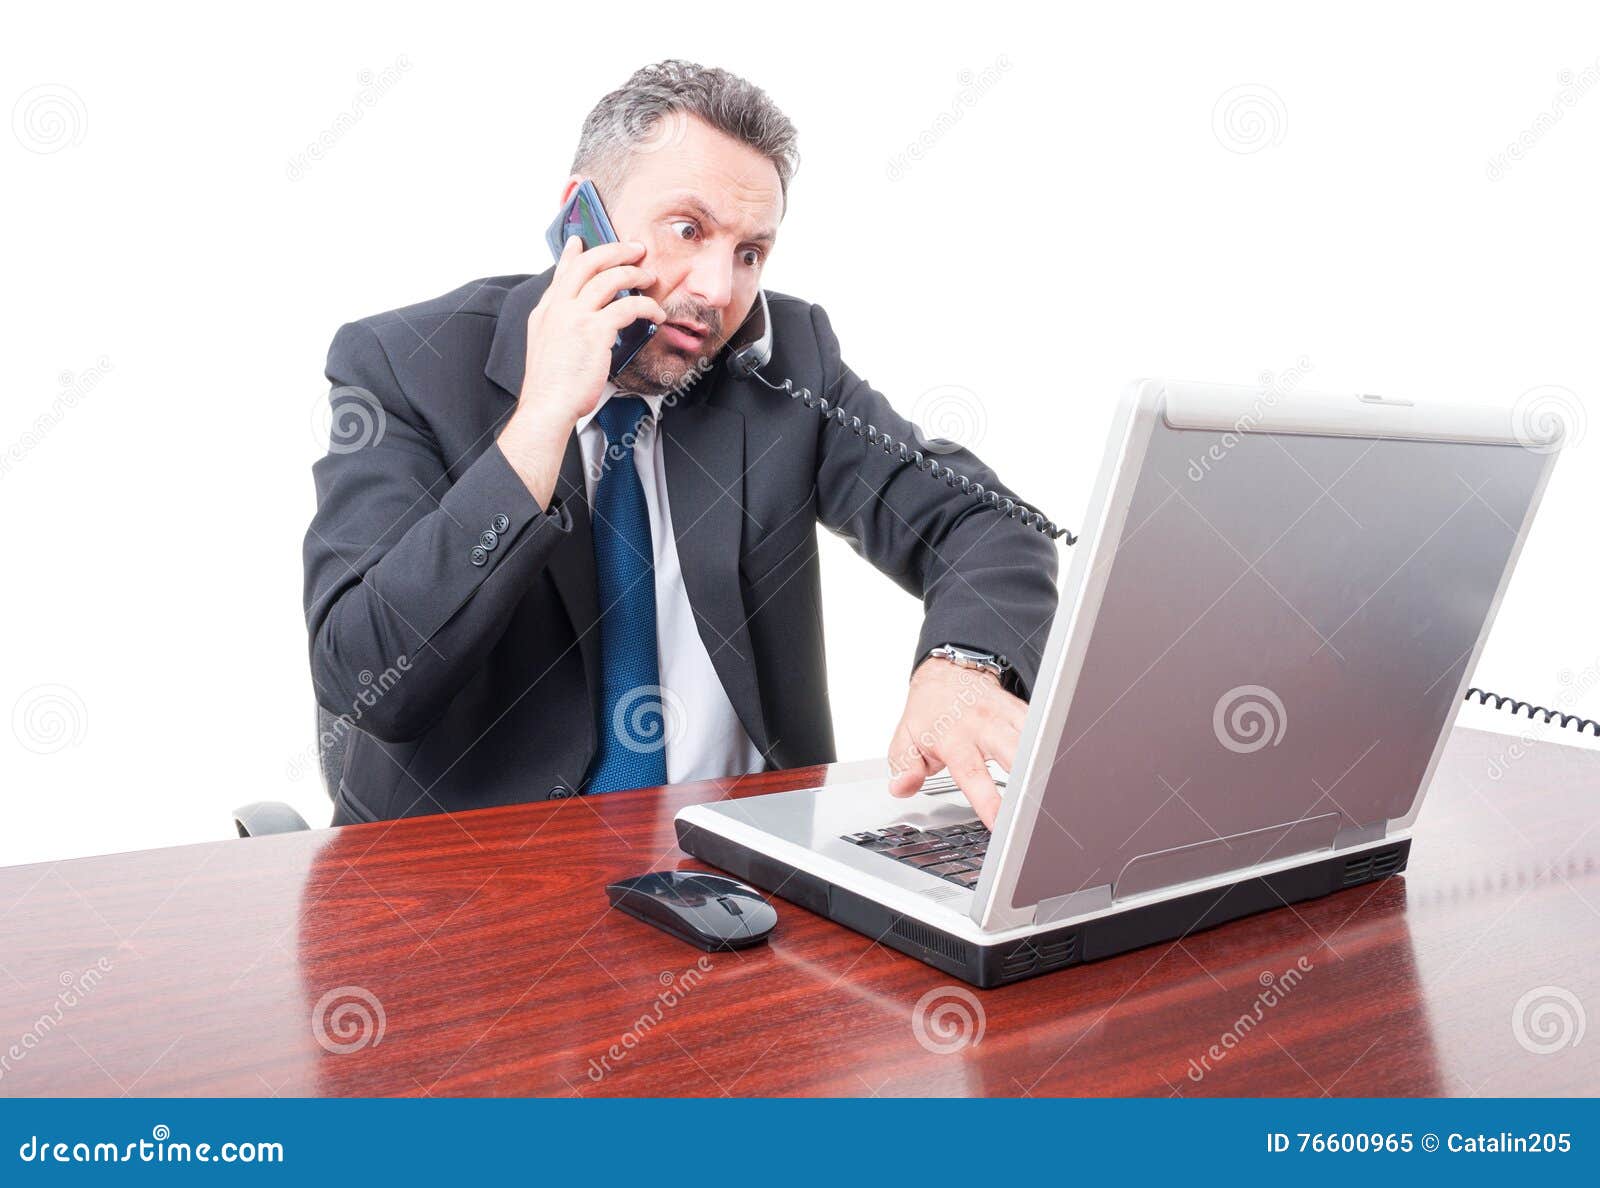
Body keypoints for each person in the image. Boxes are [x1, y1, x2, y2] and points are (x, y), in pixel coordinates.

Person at [303, 60, 1058, 829]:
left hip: (741, 869)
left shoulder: (784, 359)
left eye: (750, 253)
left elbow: (986, 524)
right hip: (473, 882)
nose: (719, 290)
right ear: (580, 216)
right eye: (688, 229)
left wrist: (961, 667)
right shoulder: (404, 365)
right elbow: (368, 678)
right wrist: (541, 421)